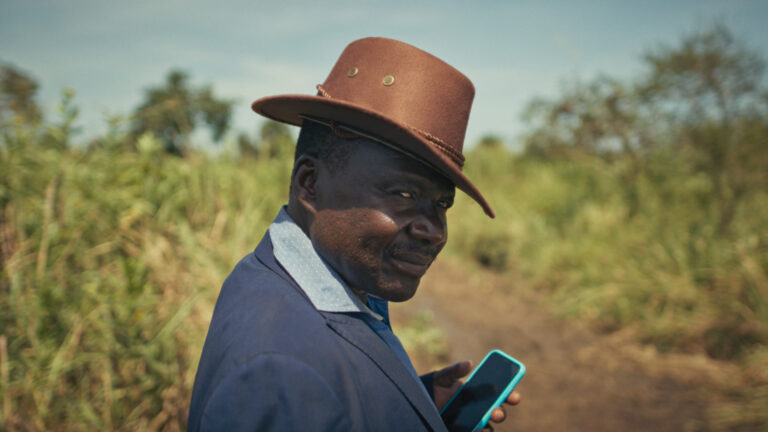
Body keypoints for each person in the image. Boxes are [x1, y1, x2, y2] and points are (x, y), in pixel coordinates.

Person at [188, 37, 520, 431]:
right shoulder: (281, 373)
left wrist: (415, 403)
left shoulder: (311, 283)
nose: (434, 231)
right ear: (310, 183)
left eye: (442, 204)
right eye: (404, 193)